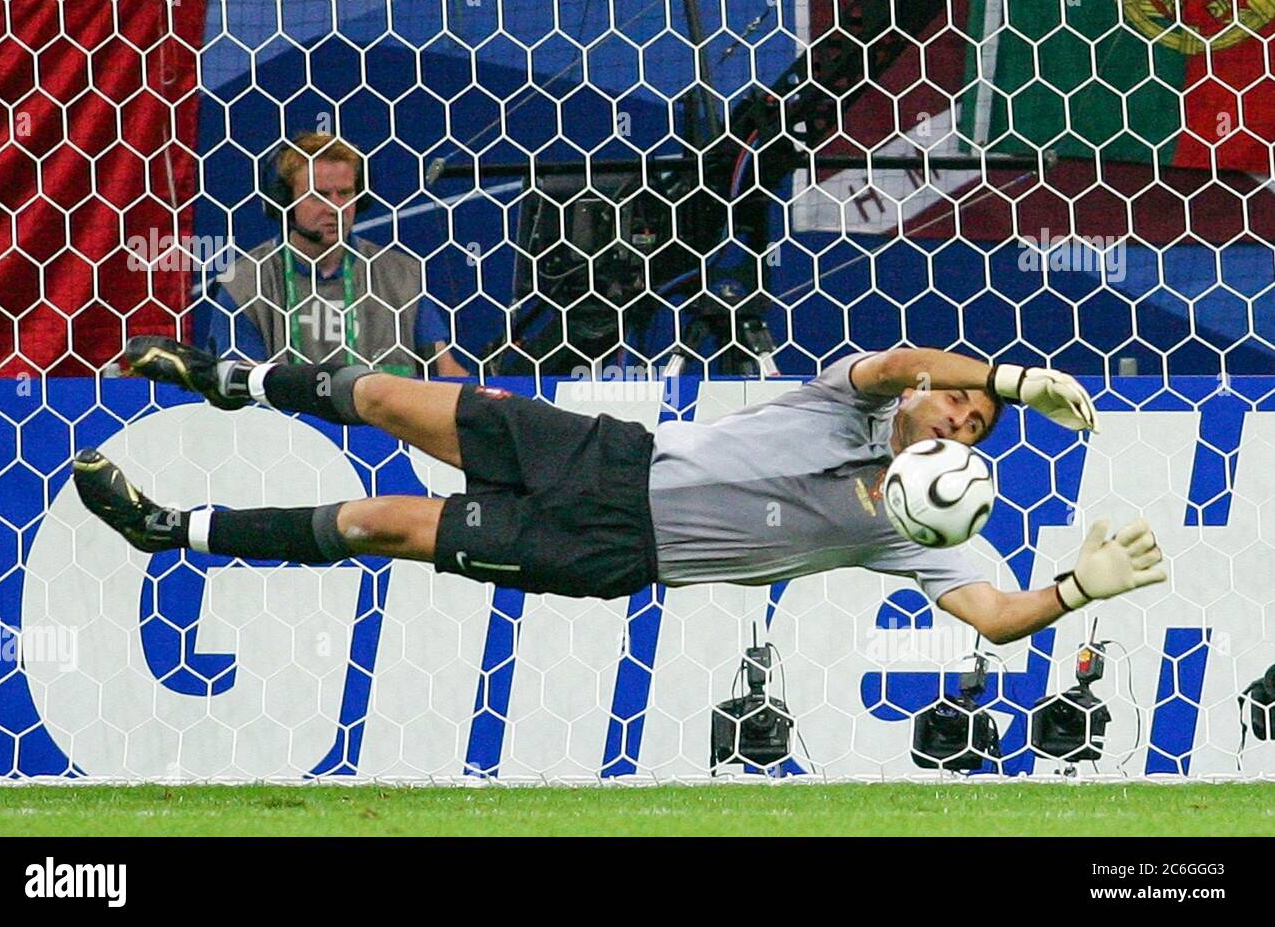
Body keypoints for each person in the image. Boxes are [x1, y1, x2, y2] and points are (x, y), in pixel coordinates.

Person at [73, 340, 1167, 644]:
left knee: (378, 522)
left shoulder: (912, 536)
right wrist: (1016, 378)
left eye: (980, 426)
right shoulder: (858, 404)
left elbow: (997, 616)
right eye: (960, 405)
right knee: (395, 396)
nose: (961, 420)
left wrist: (1080, 586)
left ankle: (170, 531)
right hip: (606, 454)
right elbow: (894, 363)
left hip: (611, 553)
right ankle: (235, 379)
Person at [203, 132, 468, 378]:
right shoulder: (244, 283)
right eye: (319, 196)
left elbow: (446, 373)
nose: (335, 207)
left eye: (344, 193)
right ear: (284, 201)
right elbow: (240, 385)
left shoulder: (400, 275)